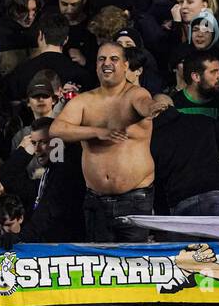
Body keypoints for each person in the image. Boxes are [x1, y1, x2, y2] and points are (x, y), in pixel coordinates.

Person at [50, 42, 170, 242]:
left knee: (134, 267)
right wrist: (96, 131)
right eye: (101, 59)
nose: (107, 63)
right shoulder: (83, 101)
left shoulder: (135, 94)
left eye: (114, 59)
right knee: (101, 269)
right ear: (96, 66)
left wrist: (152, 108)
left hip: (135, 199)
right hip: (95, 200)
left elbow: (144, 104)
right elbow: (56, 130)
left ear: (125, 65)